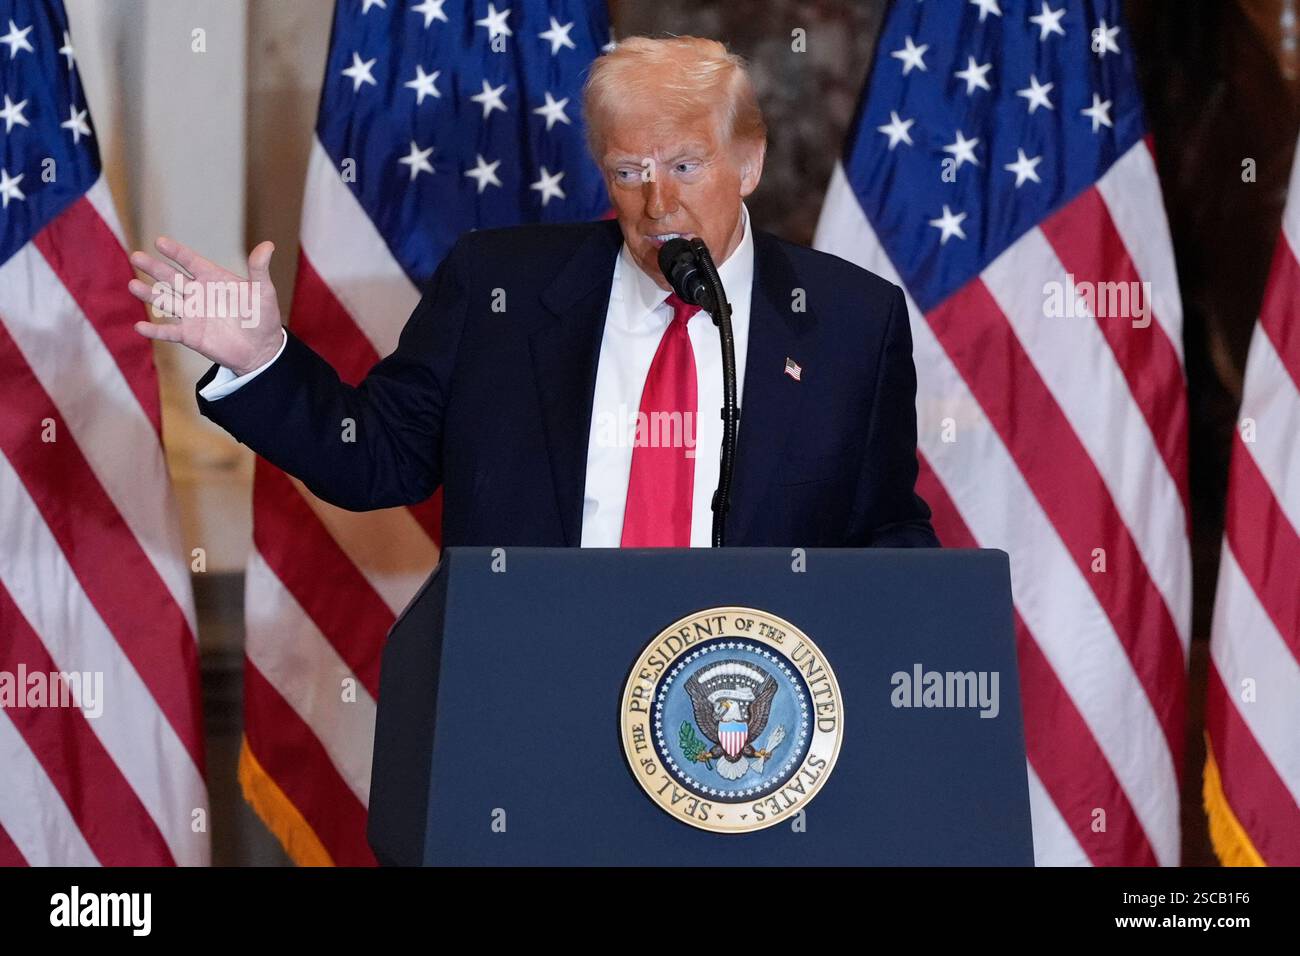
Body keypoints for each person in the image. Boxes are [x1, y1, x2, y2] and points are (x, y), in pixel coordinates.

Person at [127, 35, 938, 549]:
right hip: (533, 696)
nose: (659, 203)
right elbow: (375, 462)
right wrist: (262, 359)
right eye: (629, 173)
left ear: (749, 164)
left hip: (748, 724)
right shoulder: (498, 289)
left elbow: (884, 532)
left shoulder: (848, 322)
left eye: (686, 166)